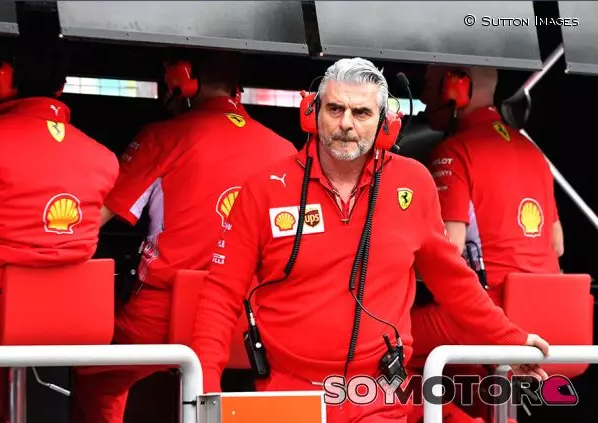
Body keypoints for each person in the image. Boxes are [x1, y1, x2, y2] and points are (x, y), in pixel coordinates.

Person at [189, 57, 550, 423]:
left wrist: (510, 339)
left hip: (378, 395)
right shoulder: (264, 188)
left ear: (385, 124)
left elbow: (455, 284)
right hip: (289, 393)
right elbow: (220, 295)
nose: (346, 123)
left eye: (361, 112)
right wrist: (203, 394)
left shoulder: (414, 183)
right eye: (334, 109)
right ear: (312, 114)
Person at [69, 50, 297, 423]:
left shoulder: (163, 137)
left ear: (182, 79)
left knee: (95, 376)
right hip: (253, 317)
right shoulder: (286, 151)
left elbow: (93, 221)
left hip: (164, 313)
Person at [0, 40, 119, 423]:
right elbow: (97, 216)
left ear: (10, 74)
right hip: (73, 321)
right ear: (60, 89)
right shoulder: (104, 157)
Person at [406, 65, 563, 422]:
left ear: (455, 87)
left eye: (429, 86)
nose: (425, 97)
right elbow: (558, 243)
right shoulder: (533, 152)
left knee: (381, 346)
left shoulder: (454, 150)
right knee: (468, 375)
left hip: (490, 312)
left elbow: (449, 248)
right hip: (547, 315)